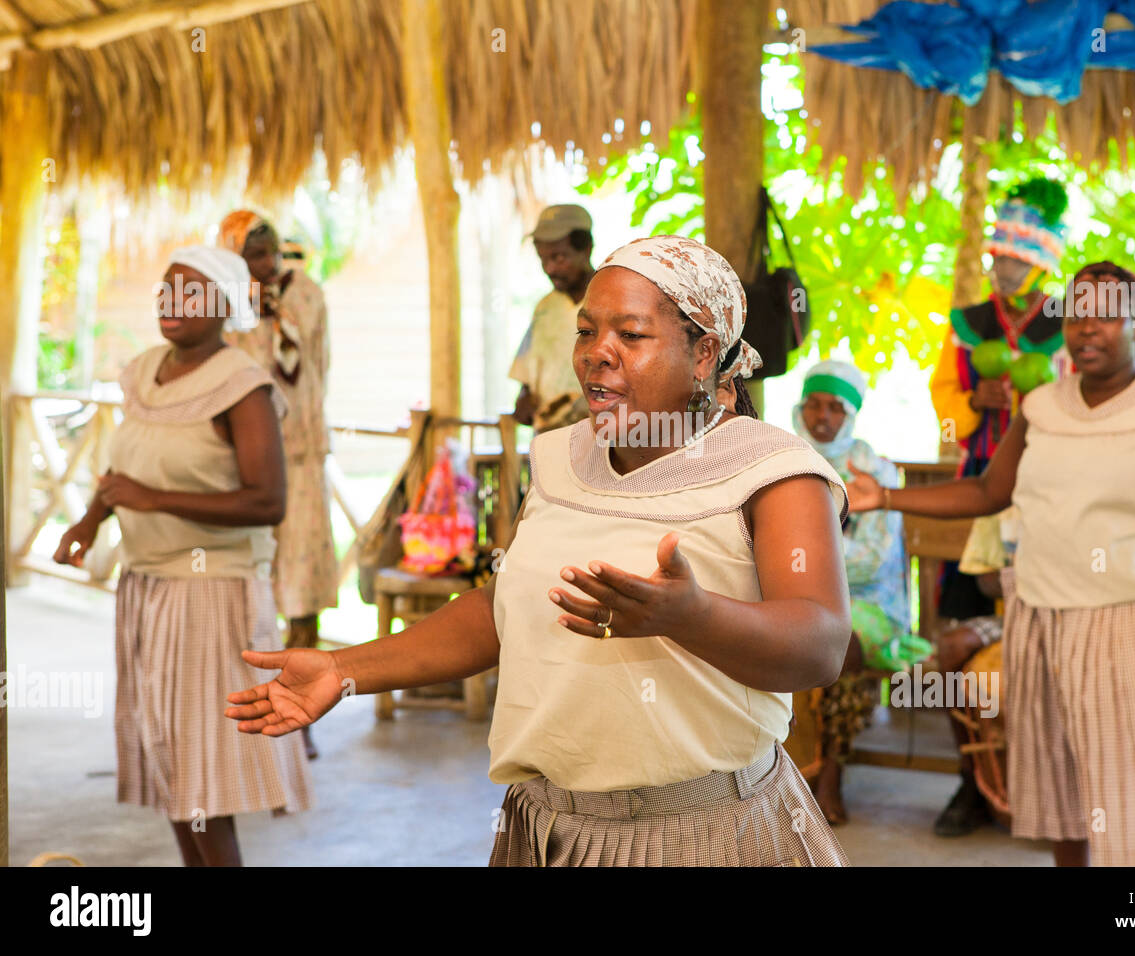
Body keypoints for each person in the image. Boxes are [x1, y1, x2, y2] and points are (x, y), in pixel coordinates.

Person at [227, 235, 853, 867]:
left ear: (704, 354)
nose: (596, 355)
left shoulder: (772, 470)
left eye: (631, 336)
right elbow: (504, 608)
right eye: (586, 332)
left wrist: (690, 617)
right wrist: (344, 669)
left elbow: (821, 643)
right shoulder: (561, 457)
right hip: (547, 831)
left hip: (706, 833)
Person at [846, 262, 1135, 866]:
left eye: (1106, 315)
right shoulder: (1042, 407)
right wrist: (886, 498)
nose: (1087, 329)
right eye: (1077, 314)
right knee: (1068, 796)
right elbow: (986, 493)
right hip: (1047, 620)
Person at [55, 246, 313, 866]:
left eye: (192, 294)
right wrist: (92, 519)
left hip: (211, 592)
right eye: (167, 292)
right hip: (147, 586)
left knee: (203, 768)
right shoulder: (145, 372)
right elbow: (127, 465)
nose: (175, 306)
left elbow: (267, 500)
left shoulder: (242, 387)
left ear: (225, 306)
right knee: (169, 758)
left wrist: (153, 499)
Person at [926, 176, 1071, 836]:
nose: (1001, 268)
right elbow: (944, 415)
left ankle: (1050, 787)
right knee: (961, 630)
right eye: (997, 258)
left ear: (1040, 262)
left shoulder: (1073, 327)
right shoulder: (969, 327)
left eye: (1014, 259)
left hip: (1051, 491)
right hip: (979, 490)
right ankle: (970, 784)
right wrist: (967, 411)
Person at [220, 211, 338, 761]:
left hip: (301, 456)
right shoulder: (223, 307)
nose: (263, 263)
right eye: (250, 254)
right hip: (243, 463)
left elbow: (309, 365)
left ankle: (299, 708)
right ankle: (247, 705)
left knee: (303, 580)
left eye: (267, 251)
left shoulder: (306, 295)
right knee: (248, 579)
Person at [791, 360, 923, 825]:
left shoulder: (874, 472)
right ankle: (779, 772)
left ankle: (828, 774)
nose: (822, 417)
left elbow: (870, 561)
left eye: (835, 409)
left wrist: (795, 556)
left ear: (852, 415)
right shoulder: (782, 459)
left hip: (867, 605)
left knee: (836, 647)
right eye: (813, 405)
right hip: (793, 597)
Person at [510, 204, 596, 432]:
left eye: (559, 257)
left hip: (596, 433)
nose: (550, 268)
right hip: (548, 435)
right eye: (543, 259)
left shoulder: (610, 302)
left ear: (586, 249)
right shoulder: (545, 308)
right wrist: (524, 398)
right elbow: (527, 375)